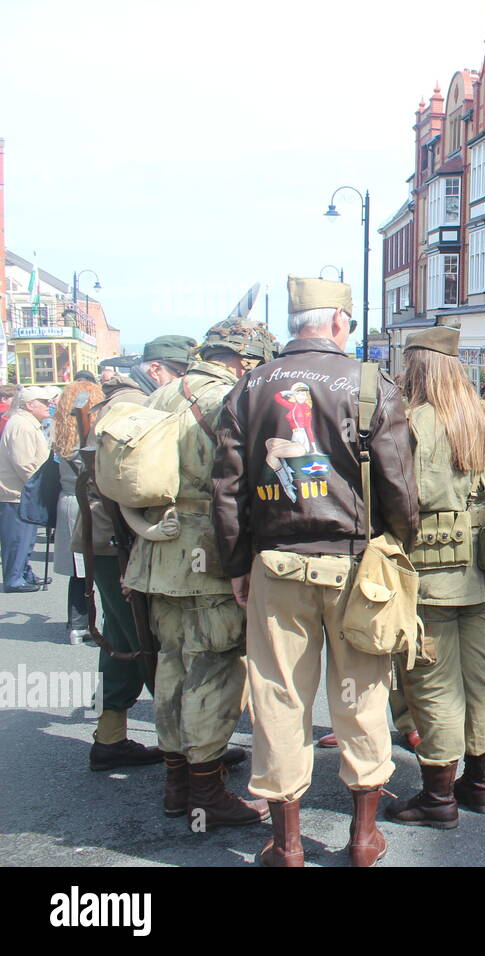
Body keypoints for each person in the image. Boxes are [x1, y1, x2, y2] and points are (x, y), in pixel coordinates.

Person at [211, 277, 418, 867]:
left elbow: (225, 490)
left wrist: (235, 566)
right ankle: (362, 837)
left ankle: (287, 843)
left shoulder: (249, 387)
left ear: (296, 324)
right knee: (361, 696)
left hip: (275, 565)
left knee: (279, 696)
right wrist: (400, 544)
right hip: (355, 565)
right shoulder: (369, 383)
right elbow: (399, 480)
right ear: (337, 324)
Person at [121, 320, 279, 826]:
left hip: (159, 548)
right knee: (214, 665)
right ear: (247, 359)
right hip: (212, 550)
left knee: (172, 664)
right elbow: (249, 481)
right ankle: (205, 790)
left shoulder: (159, 393)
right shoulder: (234, 396)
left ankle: (176, 781)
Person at [384, 326, 485, 828]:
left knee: (432, 683)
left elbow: (396, 501)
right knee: (481, 681)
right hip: (484, 565)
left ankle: (438, 798)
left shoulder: (409, 421)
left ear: (417, 365)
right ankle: (478, 786)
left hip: (429, 570)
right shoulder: (482, 417)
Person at [77, 336, 195, 771]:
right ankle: (184, 752)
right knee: (145, 642)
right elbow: (132, 485)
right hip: (121, 541)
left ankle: (111, 737)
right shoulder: (133, 405)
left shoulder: (124, 401)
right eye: (179, 374)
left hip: (114, 539)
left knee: (126, 639)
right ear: (161, 370)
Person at [51, 380, 104, 640]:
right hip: (85, 501)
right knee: (96, 567)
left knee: (79, 571)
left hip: (69, 499)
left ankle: (77, 624)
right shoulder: (86, 435)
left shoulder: (61, 431)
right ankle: (87, 625)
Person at [0, 385, 58, 592]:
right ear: (29, 405)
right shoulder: (22, 425)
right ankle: (14, 578)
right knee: (17, 538)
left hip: (22, 491)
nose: (48, 405)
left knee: (25, 538)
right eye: (43, 402)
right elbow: (23, 463)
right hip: (17, 492)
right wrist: (40, 486)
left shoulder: (27, 423)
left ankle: (23, 573)